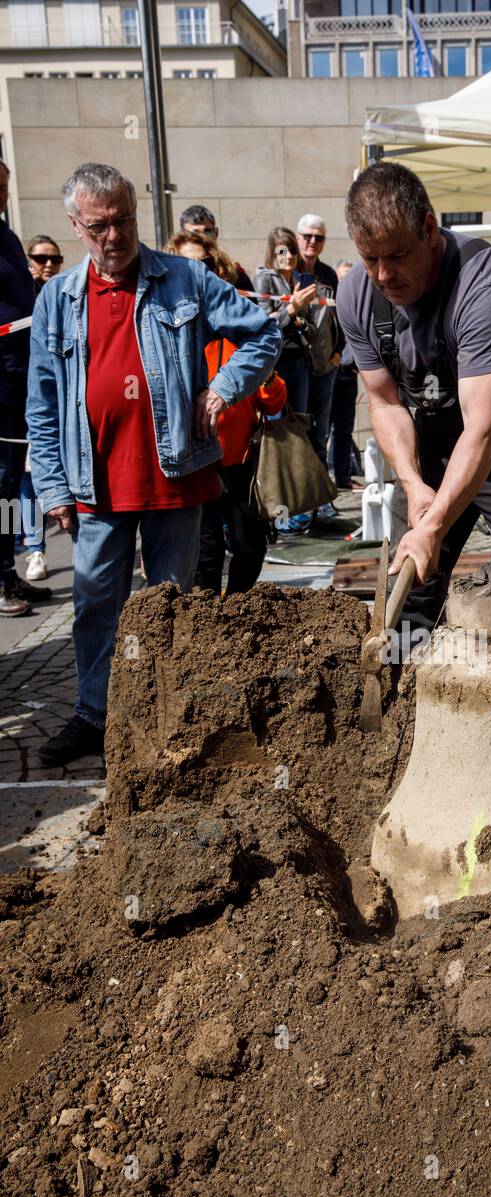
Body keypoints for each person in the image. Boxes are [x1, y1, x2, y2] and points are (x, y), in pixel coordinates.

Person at [27, 162, 281, 766]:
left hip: (176, 474)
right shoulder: (57, 300)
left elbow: (264, 334)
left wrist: (221, 388)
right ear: (75, 226)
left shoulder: (186, 279)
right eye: (98, 227)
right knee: (93, 603)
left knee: (172, 603)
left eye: (123, 221)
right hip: (95, 482)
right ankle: (94, 713)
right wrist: (52, 486)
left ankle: (168, 714)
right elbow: (41, 402)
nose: (114, 237)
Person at [336, 161, 491, 633]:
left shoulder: (486, 283)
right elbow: (385, 404)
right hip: (436, 438)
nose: (383, 275)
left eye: (397, 256)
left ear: (429, 228)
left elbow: (485, 426)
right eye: (370, 258)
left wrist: (433, 525)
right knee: (412, 582)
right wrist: (412, 484)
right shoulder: (356, 297)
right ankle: (403, 693)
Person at [165, 229, 287, 594]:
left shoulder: (239, 326)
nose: (195, 272)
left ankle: (235, 608)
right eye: (186, 264)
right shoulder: (168, 331)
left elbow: (275, 400)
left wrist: (263, 382)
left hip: (239, 458)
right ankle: (206, 627)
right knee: (205, 554)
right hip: (193, 459)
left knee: (251, 546)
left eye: (203, 264)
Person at [0, 158, 51, 616]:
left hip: (19, 379)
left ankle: (9, 570)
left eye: (3, 188)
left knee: (17, 483)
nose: (1, 196)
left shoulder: (8, 239)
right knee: (0, 485)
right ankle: (1, 579)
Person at [16, 235, 64, 582]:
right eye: (40, 258)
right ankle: (35, 549)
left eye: (55, 258)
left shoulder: (63, 294)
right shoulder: (19, 296)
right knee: (30, 479)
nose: (48, 264)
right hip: (23, 399)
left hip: (60, 398)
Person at [296, 213, 344, 469]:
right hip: (297, 364)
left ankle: (322, 495)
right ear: (297, 238)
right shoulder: (287, 271)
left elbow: (342, 315)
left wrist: (339, 351)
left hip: (325, 364)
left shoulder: (328, 275)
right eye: (307, 236)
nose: (312, 241)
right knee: (298, 429)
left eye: (319, 237)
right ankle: (302, 499)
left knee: (321, 430)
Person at [253, 227, 318, 415]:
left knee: (299, 420)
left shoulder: (297, 280)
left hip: (301, 357)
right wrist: (292, 309)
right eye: (282, 251)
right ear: (273, 252)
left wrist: (298, 319)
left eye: (293, 251)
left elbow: (310, 325)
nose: (289, 256)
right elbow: (264, 324)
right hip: (276, 361)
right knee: (277, 421)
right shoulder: (264, 278)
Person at [329, 258, 362, 490]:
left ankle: (343, 479)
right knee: (322, 432)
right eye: (342, 277)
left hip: (349, 375)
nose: (347, 281)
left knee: (343, 429)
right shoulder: (329, 305)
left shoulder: (359, 304)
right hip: (329, 373)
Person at [178, 204, 254, 292]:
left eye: (208, 231)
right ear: (182, 236)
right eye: (195, 233)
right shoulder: (171, 270)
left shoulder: (232, 272)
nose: (203, 237)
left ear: (216, 233)